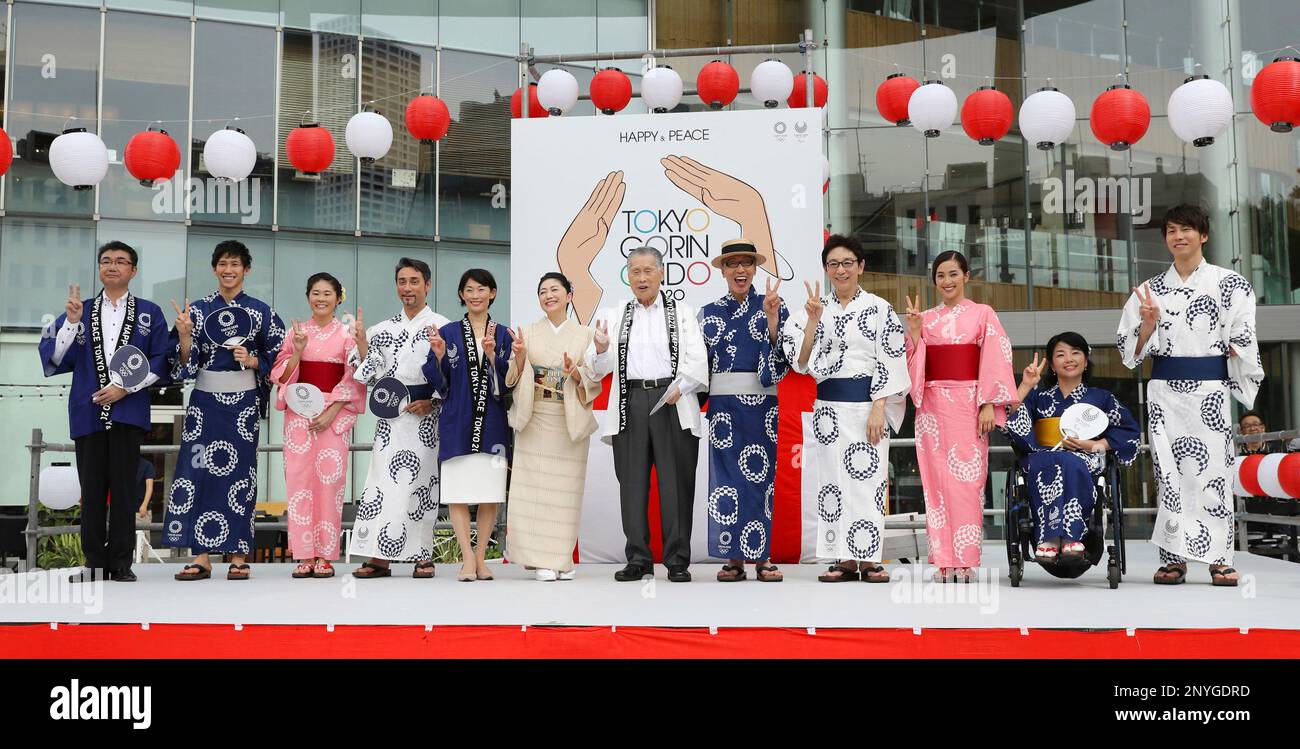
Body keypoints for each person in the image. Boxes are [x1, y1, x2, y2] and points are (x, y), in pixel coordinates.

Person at [1118, 204, 1263, 587]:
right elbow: (1129, 353)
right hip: (1165, 391)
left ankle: (1219, 558)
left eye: (1186, 229)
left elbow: (1243, 336)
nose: (1178, 236)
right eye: (1171, 230)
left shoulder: (1231, 283)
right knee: (1169, 473)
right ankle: (1173, 558)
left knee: (1213, 472)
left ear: (1204, 235)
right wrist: (1147, 326)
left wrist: (1235, 350)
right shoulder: (1149, 291)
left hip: (1209, 391)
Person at [38, 241, 170, 582]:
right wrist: (69, 324)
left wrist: (126, 387)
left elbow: (161, 359)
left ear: (133, 271)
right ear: (99, 268)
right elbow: (54, 357)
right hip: (88, 410)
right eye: (106, 261)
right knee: (92, 491)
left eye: (121, 261)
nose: (112, 266)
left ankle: (121, 563)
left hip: (128, 410)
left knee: (125, 490)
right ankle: (94, 563)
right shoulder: (79, 310)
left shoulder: (149, 313)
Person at [781, 234, 909, 583]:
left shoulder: (880, 309)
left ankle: (869, 559)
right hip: (827, 408)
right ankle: (842, 558)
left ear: (861, 267)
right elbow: (800, 362)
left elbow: (891, 359)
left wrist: (879, 407)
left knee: (869, 482)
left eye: (847, 263)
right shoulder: (814, 307)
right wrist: (812, 321)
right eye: (833, 264)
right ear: (826, 268)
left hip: (868, 405)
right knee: (832, 483)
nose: (841, 270)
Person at [587, 247, 709, 583]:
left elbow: (699, 358)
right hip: (631, 400)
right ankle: (638, 557)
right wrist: (599, 349)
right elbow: (597, 371)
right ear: (627, 275)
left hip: (673, 398)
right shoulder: (614, 315)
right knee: (632, 482)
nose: (641, 278)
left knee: (676, 483)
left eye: (647, 271)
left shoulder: (683, 313)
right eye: (634, 271)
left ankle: (677, 559)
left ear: (661, 273)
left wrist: (681, 386)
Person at [166, 240, 285, 581]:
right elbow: (183, 365)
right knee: (197, 472)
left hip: (243, 406)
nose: (228, 269)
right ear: (214, 268)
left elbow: (279, 360)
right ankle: (201, 556)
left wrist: (253, 361)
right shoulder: (198, 310)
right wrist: (186, 336)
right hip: (204, 402)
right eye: (223, 263)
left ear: (246, 269)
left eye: (235, 264)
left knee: (241, 477)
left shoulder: (262, 311)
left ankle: (238, 555)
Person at [903, 250, 1017, 583]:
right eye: (940, 275)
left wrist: (987, 404)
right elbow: (914, 362)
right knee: (936, 483)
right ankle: (942, 559)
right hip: (933, 406)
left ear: (966, 276)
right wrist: (914, 333)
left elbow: (996, 357)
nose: (947, 281)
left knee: (967, 483)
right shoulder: (926, 317)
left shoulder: (983, 314)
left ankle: (965, 559)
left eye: (953, 274)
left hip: (969, 403)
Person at [349, 257, 450, 579]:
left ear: (428, 285)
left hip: (424, 419)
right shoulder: (382, 329)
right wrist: (363, 343)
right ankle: (379, 557)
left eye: (414, 281)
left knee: (421, 484)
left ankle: (422, 555)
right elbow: (365, 373)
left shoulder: (442, 326)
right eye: (402, 281)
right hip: (390, 417)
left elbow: (452, 374)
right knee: (382, 484)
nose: (408, 288)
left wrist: (432, 402)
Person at [1005, 332, 1140, 561]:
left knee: (1069, 461)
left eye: (1075, 353)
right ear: (1052, 365)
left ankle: (1065, 537)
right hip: (1043, 456)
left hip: (1085, 457)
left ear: (1086, 361)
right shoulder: (1039, 397)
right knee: (1055, 461)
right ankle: (1053, 537)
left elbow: (1129, 431)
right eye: (1060, 354)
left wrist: (1096, 444)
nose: (1069, 358)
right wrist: (1026, 385)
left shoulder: (1102, 398)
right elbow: (1009, 421)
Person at [699, 239, 788, 582]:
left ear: (755, 269)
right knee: (727, 479)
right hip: (722, 408)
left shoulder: (774, 305)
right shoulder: (707, 313)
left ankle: (762, 555)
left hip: (762, 406)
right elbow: (698, 367)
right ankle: (733, 557)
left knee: (760, 480)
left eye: (746, 263)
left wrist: (771, 318)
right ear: (722, 270)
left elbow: (782, 356)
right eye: (732, 263)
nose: (740, 269)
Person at [504, 272, 602, 582]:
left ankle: (559, 557)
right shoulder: (528, 332)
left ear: (569, 294)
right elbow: (513, 377)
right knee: (533, 491)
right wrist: (519, 357)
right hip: (536, 415)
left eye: (555, 289)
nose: (549, 295)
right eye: (543, 291)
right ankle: (538, 559)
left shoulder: (585, 334)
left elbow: (593, 378)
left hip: (568, 417)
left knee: (565, 490)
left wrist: (576, 373)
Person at [271, 273, 365, 579]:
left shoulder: (346, 335)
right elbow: (282, 377)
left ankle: (325, 555)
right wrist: (298, 350)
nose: (320, 298)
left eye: (327, 293)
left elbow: (354, 376)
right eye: (315, 293)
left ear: (338, 298)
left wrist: (334, 409)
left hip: (333, 414)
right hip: (299, 413)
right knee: (299, 482)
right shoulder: (296, 332)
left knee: (330, 484)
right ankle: (304, 553)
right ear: (308, 296)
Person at [423, 269, 513, 582]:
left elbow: (511, 382)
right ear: (461, 294)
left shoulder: (504, 334)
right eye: (469, 289)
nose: (475, 295)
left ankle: (480, 559)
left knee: (490, 494)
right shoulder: (446, 333)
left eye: (481, 289)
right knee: (458, 493)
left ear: (493, 293)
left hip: (493, 422)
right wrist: (436, 358)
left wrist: (493, 359)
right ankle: (465, 558)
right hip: (457, 419)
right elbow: (438, 382)